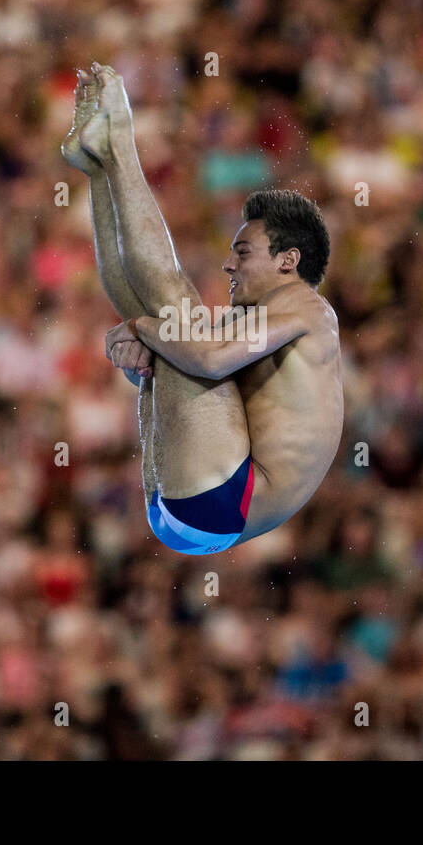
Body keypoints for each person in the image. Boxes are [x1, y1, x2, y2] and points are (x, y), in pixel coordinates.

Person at [61, 63, 344, 554]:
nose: (228, 264)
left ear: (288, 261)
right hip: (188, 502)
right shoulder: (253, 321)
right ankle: (98, 169)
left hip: (224, 498)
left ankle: (121, 141)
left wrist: (141, 330)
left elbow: (207, 361)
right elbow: (183, 361)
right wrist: (141, 356)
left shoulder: (311, 312)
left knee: (176, 312)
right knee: (164, 313)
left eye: (244, 252)